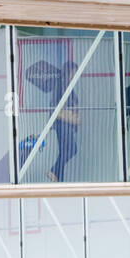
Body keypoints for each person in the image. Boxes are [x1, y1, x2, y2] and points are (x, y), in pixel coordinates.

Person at [48, 55, 80, 183]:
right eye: (74, 72)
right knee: (71, 149)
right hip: (62, 123)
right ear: (68, 72)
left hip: (66, 123)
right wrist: (71, 118)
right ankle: (54, 171)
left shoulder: (68, 86)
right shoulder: (61, 86)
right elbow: (56, 107)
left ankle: (58, 179)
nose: (75, 75)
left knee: (64, 151)